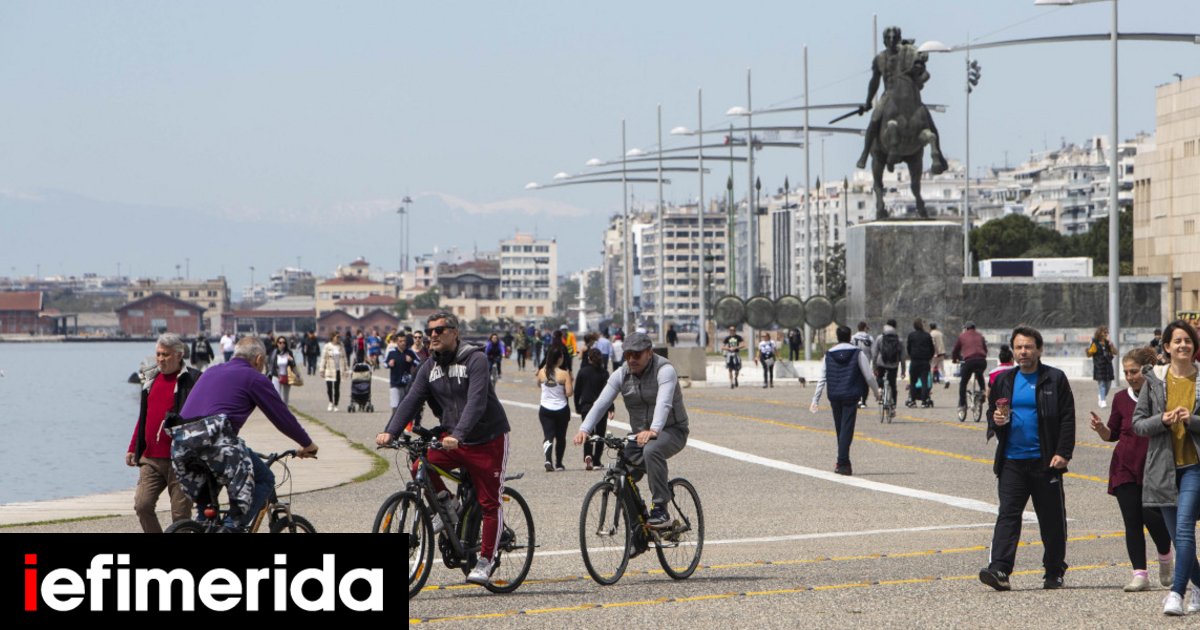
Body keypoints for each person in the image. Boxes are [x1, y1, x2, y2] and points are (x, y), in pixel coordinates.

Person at [377, 311, 512, 586]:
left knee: (489, 502)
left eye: (440, 330)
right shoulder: (429, 366)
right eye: (430, 331)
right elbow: (411, 400)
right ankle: (447, 503)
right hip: (454, 439)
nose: (433, 335)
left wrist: (459, 434)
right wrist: (390, 431)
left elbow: (476, 402)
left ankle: (486, 560)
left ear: (455, 332)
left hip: (488, 439)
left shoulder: (476, 359)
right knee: (420, 464)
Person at [177, 337, 319, 529]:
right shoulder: (253, 377)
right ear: (259, 359)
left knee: (208, 500)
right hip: (216, 441)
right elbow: (282, 417)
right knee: (265, 479)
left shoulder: (211, 371)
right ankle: (231, 528)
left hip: (182, 443)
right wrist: (307, 444)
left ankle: (201, 525)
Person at [979, 325, 1075, 591]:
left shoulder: (1054, 379)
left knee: (1052, 519)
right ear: (1013, 350)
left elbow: (1067, 418)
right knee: (1008, 515)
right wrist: (996, 421)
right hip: (1011, 461)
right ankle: (999, 569)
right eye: (1019, 347)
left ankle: (1054, 571)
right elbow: (993, 413)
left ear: (1039, 349)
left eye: (1029, 347)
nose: (1023, 352)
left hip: (1045, 462)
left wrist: (1063, 453)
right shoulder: (1004, 380)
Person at [574, 332, 689, 528]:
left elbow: (664, 403)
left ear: (649, 353)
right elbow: (601, 403)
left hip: (671, 430)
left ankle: (661, 508)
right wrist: (585, 429)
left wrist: (654, 430)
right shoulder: (621, 374)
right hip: (640, 434)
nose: (631, 359)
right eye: (628, 354)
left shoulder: (665, 370)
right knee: (620, 473)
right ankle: (638, 530)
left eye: (637, 355)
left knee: (652, 450)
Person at [1088, 346, 1174, 592]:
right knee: (1132, 521)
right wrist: (1101, 428)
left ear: (1147, 370)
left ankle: (1165, 555)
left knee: (1153, 517)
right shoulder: (1120, 398)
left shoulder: (1161, 396)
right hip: (1124, 467)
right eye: (1126, 372)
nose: (1130, 376)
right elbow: (1112, 435)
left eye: (1134, 371)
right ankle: (1140, 574)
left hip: (1154, 467)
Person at [1132, 320, 1200, 616]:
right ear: (1167, 346)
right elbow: (1138, 424)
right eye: (1178, 341)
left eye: (1188, 340)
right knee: (1179, 538)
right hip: (1163, 468)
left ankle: (1176, 594)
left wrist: (1191, 420)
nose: (1183, 345)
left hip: (1194, 467)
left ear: (1194, 347)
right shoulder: (1154, 381)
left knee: (1184, 530)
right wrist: (1163, 419)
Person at [126, 333, 200, 533]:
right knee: (142, 505)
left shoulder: (192, 380)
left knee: (180, 516)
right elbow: (143, 417)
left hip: (181, 459)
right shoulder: (151, 380)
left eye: (165, 355)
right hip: (151, 458)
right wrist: (133, 447)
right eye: (158, 354)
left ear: (178, 355)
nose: (160, 359)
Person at [856, 26, 948, 174]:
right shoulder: (879, 59)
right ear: (885, 40)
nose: (891, 41)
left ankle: (939, 155)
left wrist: (920, 56)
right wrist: (868, 103)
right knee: (875, 119)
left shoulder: (906, 53)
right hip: (889, 95)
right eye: (889, 38)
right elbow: (874, 82)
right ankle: (865, 154)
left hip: (909, 94)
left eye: (894, 38)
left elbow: (920, 57)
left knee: (929, 121)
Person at [810, 326, 881, 476]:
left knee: (840, 430)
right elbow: (868, 376)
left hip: (834, 395)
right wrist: (877, 393)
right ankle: (842, 463)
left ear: (837, 336)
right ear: (850, 337)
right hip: (850, 395)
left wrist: (815, 399)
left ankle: (844, 461)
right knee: (846, 429)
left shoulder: (828, 354)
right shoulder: (857, 353)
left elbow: (822, 378)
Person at [575, 348, 614, 471]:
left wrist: (577, 406)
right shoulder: (604, 373)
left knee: (587, 432)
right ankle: (597, 460)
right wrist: (611, 408)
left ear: (589, 358)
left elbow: (577, 391)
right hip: (601, 407)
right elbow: (609, 393)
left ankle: (588, 455)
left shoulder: (582, 371)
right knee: (600, 434)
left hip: (586, 406)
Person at [536, 345, 573, 471]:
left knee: (548, 435)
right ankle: (559, 463)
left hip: (545, 408)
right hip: (561, 408)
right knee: (561, 437)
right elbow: (569, 392)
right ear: (559, 359)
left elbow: (538, 384)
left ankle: (547, 459)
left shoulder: (542, 372)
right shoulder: (564, 374)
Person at [953, 321, 989, 420]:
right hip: (981, 361)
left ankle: (962, 404)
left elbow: (955, 350)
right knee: (979, 374)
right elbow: (985, 350)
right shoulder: (980, 336)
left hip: (969, 361)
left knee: (963, 383)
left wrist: (954, 359)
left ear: (966, 328)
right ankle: (982, 392)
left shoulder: (962, 336)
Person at [872, 319, 907, 409]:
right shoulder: (899, 339)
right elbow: (903, 358)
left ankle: (879, 389)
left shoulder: (880, 338)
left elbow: (875, 354)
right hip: (893, 365)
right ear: (895, 327)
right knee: (892, 385)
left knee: (879, 378)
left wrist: (874, 368)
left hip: (881, 364)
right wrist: (903, 371)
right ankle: (893, 405)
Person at [906, 319, 935, 407]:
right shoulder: (927, 335)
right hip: (924, 361)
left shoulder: (911, 335)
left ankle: (913, 401)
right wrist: (928, 358)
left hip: (914, 361)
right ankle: (924, 401)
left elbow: (908, 348)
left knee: (913, 382)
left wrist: (912, 356)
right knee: (924, 382)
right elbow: (932, 349)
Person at [1088, 325, 1118, 408]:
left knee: (1108, 384)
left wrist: (1111, 346)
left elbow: (1115, 353)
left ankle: (1101, 396)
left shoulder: (1108, 343)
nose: (1106, 334)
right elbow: (1089, 353)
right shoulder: (1094, 342)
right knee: (1102, 384)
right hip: (1099, 366)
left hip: (1108, 366)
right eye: (1104, 332)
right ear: (1099, 333)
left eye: (1107, 333)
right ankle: (1103, 401)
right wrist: (1090, 348)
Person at [386, 335, 418, 412]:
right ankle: (395, 423)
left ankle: (408, 424)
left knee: (407, 406)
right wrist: (389, 364)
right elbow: (384, 363)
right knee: (395, 405)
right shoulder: (391, 352)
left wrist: (411, 361)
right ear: (397, 342)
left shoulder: (410, 352)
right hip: (395, 382)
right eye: (401, 341)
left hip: (407, 383)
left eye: (404, 341)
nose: (403, 343)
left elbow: (419, 362)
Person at [319, 331, 348, 412]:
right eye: (337, 337)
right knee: (329, 388)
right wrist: (322, 369)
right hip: (329, 369)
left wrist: (346, 369)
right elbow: (323, 358)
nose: (338, 338)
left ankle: (336, 404)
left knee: (336, 388)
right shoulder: (327, 346)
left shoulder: (341, 346)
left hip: (338, 370)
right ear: (333, 337)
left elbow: (345, 358)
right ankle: (330, 401)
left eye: (339, 337)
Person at [266, 336, 298, 405]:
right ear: (277, 343)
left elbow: (293, 365)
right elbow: (270, 364)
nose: (282, 344)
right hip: (276, 376)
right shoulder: (274, 352)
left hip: (287, 376)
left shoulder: (289, 352)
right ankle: (278, 411)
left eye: (284, 342)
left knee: (285, 397)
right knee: (277, 395)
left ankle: (285, 411)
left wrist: (291, 360)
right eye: (280, 342)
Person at [852, 322, 874, 408]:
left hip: (855, 363)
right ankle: (864, 401)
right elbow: (873, 352)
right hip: (866, 363)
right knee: (865, 383)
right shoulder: (870, 338)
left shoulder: (853, 338)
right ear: (865, 328)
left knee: (855, 382)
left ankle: (857, 401)